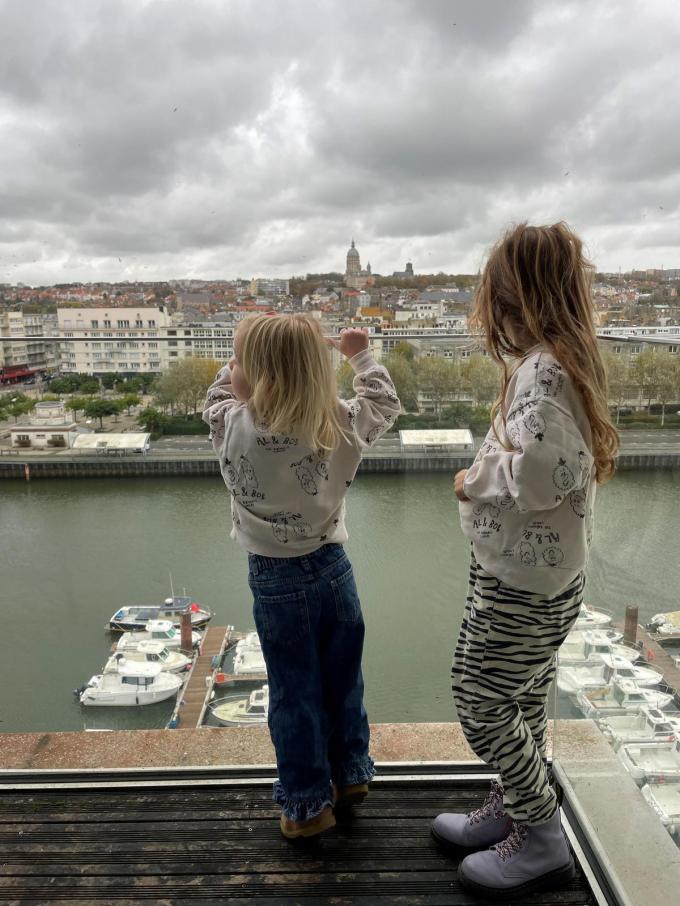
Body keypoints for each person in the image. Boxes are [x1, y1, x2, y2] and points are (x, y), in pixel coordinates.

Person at [431, 223, 619, 897]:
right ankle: (517, 805)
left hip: (521, 581)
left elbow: (540, 478)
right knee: (523, 695)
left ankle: (540, 836)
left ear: (511, 298)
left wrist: (473, 480)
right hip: (546, 575)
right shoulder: (571, 360)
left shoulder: (541, 374)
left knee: (480, 699)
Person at [202, 314, 400, 840]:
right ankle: (352, 774)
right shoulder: (334, 419)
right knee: (343, 679)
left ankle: (308, 805)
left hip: (274, 578)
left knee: (295, 692)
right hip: (335, 570)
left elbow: (212, 399)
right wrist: (359, 355)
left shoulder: (232, 423)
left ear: (257, 375)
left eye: (240, 361)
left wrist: (232, 365)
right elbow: (383, 403)